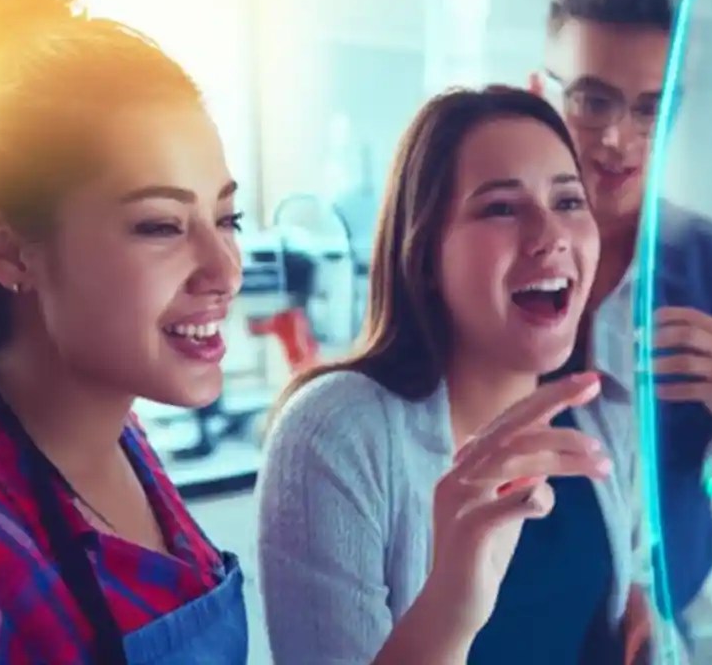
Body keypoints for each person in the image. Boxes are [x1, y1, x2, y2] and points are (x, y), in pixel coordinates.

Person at [0, 0, 247, 664]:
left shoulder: (120, 438)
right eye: (160, 225)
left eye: (225, 219)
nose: (224, 270)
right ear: (6, 248)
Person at [257, 86, 638, 664]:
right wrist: (449, 611)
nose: (550, 235)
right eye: (501, 208)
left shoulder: (601, 417)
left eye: (568, 202)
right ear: (425, 255)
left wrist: (641, 610)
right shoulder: (335, 434)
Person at [530, 0, 712, 632]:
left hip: (673, 627)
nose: (619, 139)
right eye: (591, 101)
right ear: (540, 93)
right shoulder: (494, 255)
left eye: (651, 108)